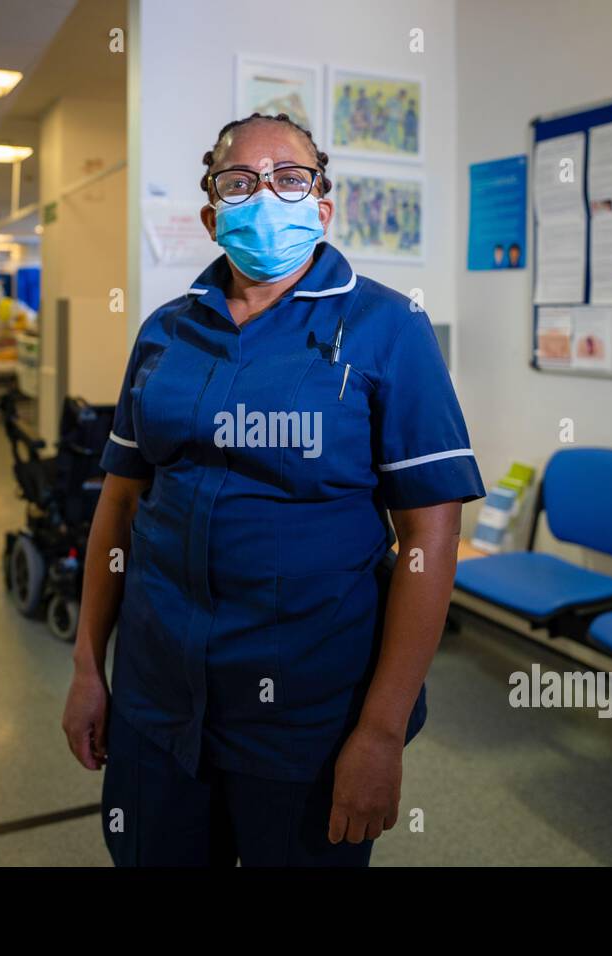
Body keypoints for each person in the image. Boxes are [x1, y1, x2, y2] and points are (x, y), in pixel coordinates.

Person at [62, 112, 484, 867]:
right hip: (157, 701)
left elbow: (431, 536)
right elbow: (119, 504)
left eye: (290, 179)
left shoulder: (388, 327)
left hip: (307, 716)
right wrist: (90, 668)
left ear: (322, 205)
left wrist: (382, 732)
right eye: (239, 182)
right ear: (211, 213)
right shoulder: (164, 332)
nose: (265, 196)